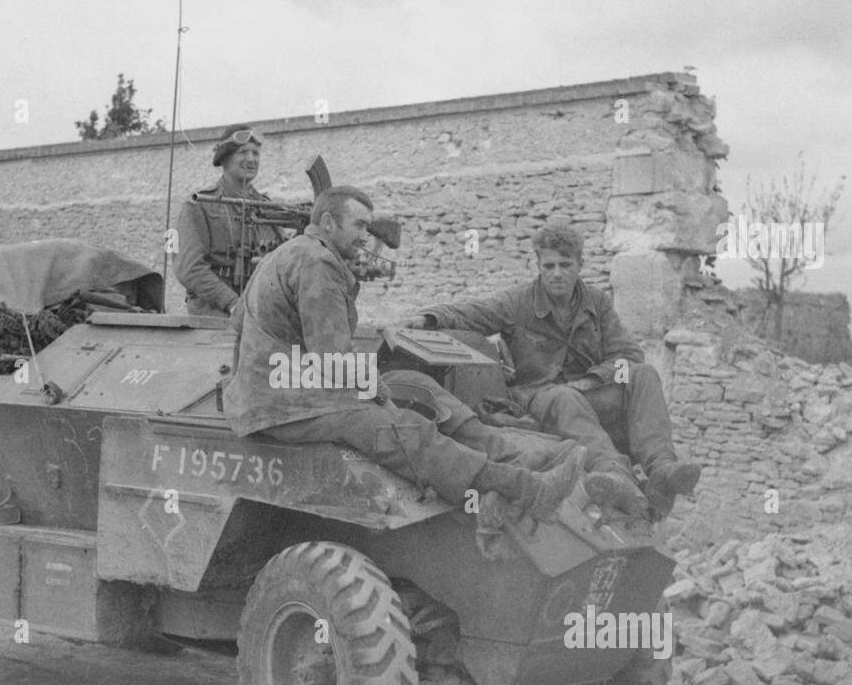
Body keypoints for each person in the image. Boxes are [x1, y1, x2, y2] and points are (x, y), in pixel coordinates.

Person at [222, 187, 587, 525]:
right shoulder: (319, 264)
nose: (366, 235)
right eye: (359, 225)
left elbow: (237, 321)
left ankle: (510, 456)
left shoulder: (285, 254)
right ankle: (522, 486)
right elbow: (333, 359)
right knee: (398, 427)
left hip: (283, 389)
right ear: (329, 223)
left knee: (415, 385)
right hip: (287, 403)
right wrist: (377, 393)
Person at [402, 222, 701, 519]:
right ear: (539, 266)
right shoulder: (518, 302)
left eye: (565, 265)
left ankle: (661, 468)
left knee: (643, 374)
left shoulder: (597, 304)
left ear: (580, 264)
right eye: (549, 266)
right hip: (537, 395)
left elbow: (629, 355)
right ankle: (615, 474)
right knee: (563, 397)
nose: (557, 273)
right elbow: (475, 313)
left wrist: (593, 379)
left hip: (587, 390)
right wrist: (431, 317)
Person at [175, 125, 290, 316]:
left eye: (256, 153)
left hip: (261, 310)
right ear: (225, 158)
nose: (251, 159)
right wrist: (232, 303)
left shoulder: (267, 208)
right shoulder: (200, 204)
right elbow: (189, 269)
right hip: (215, 312)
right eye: (243, 152)